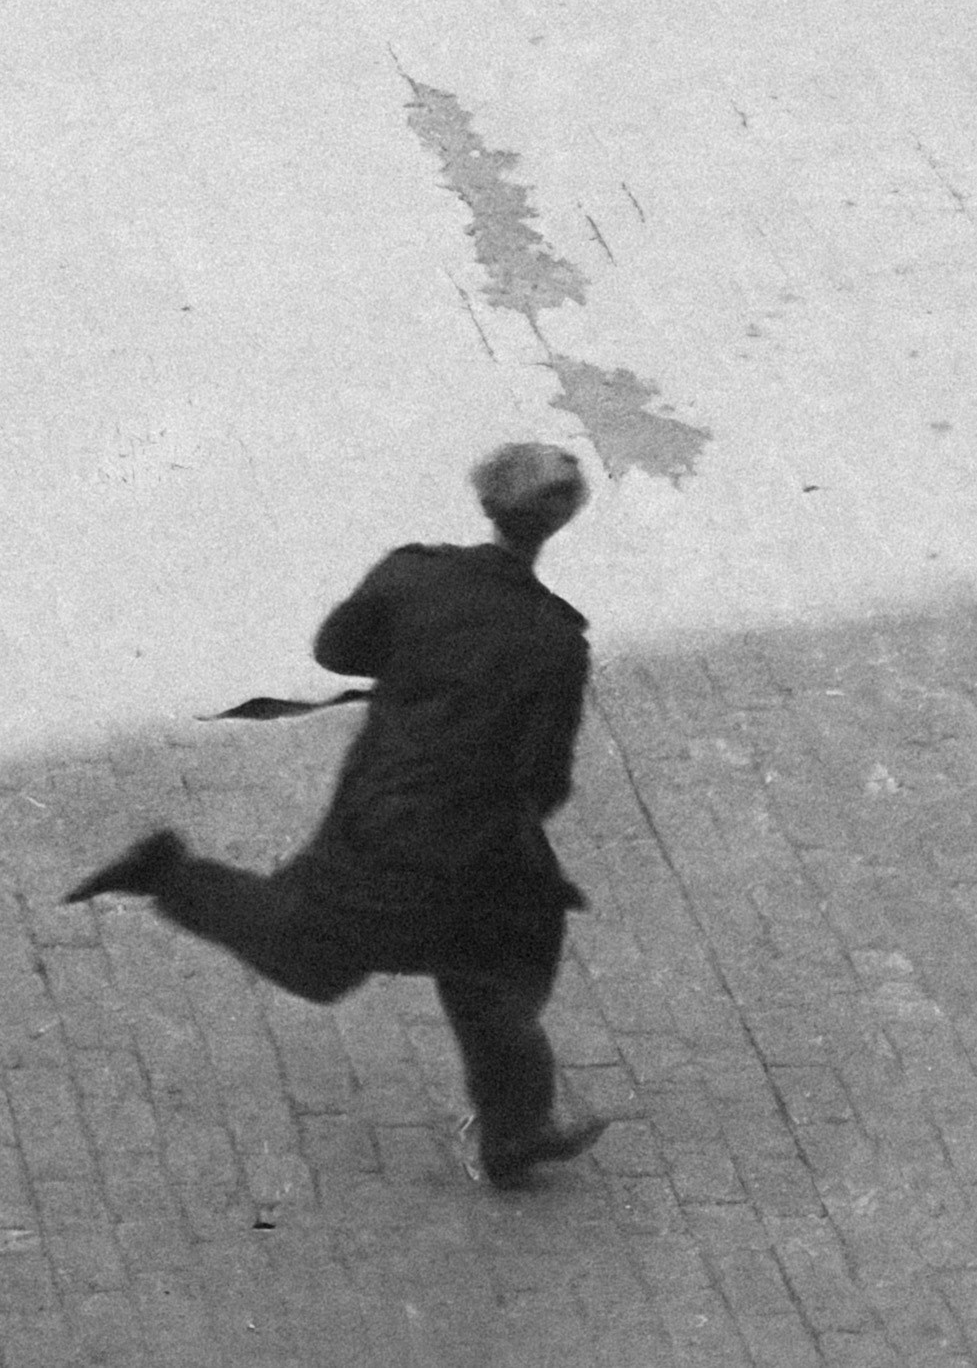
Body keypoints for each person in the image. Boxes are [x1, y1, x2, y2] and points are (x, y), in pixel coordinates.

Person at [66, 445, 613, 1190]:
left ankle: (516, 1133)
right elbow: (546, 778)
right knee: (348, 961)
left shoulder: (414, 574)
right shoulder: (554, 643)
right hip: (468, 846)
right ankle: (171, 875)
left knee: (481, 967)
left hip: (385, 810)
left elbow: (337, 649)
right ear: (558, 525)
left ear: (487, 501)